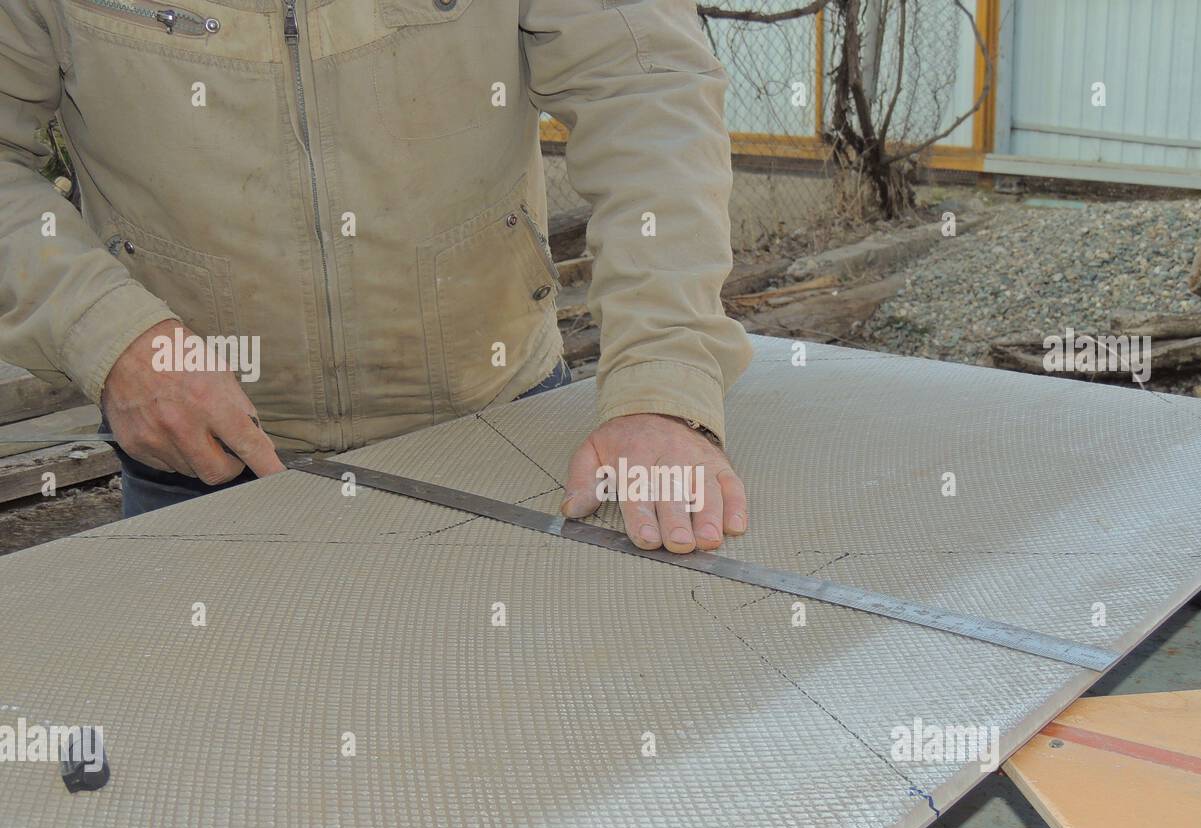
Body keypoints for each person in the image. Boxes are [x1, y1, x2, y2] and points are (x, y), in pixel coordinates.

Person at [0, 0, 752, 552]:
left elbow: (646, 90)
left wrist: (661, 384)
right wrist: (109, 335)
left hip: (499, 428)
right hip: (199, 457)